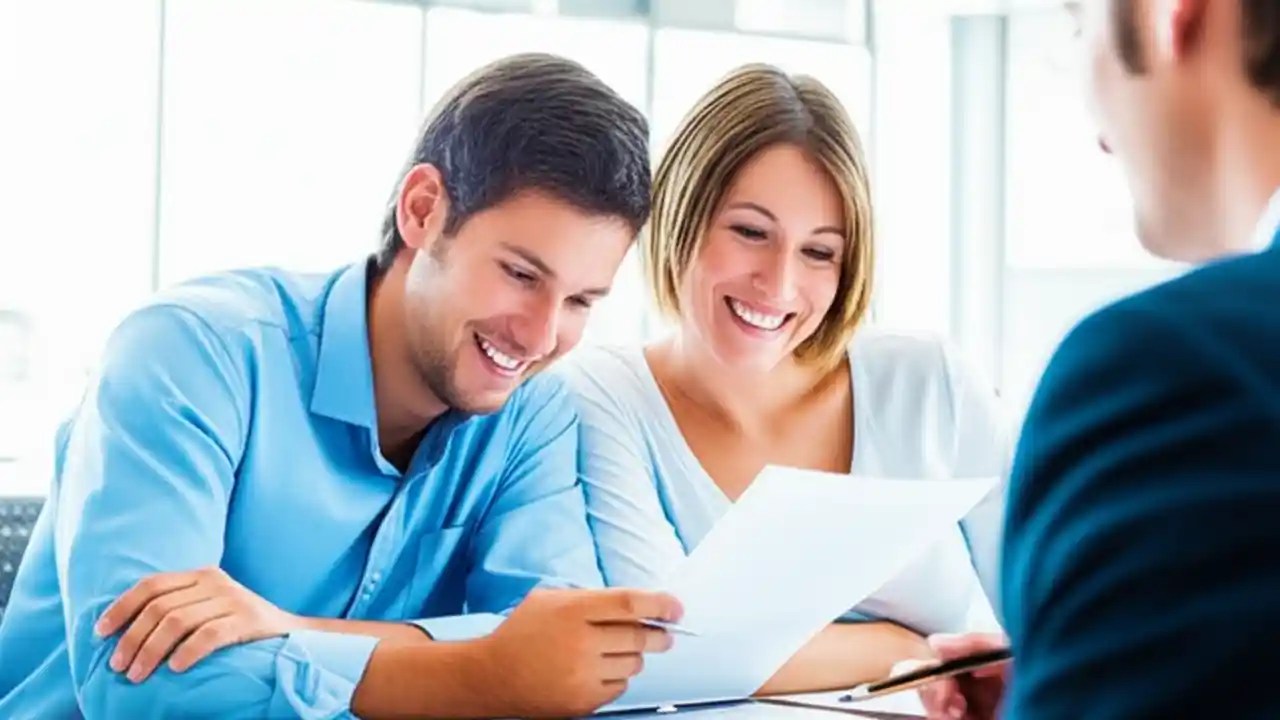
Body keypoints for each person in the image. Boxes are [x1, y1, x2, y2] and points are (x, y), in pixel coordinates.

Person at [0, 53, 683, 719]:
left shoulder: (533, 414)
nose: (540, 338)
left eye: (580, 302)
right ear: (423, 211)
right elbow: (141, 691)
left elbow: (559, 664)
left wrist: (289, 630)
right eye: (522, 276)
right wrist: (480, 673)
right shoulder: (193, 352)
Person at [561, 63, 1010, 695]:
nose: (778, 284)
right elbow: (660, 657)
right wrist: (901, 650)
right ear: (681, 216)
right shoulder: (602, 397)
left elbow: (1058, 607)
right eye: (750, 232)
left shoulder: (928, 382)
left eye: (819, 251)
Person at [916, 1, 1280, 718]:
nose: (1104, 141)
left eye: (1080, 26)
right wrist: (1100, 664)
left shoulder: (1177, 373)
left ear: (1170, 13)